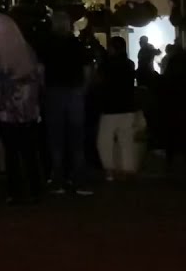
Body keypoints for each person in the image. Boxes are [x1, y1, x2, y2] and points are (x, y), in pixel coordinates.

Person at [0, 10, 43, 204]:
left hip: (8, 111)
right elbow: (37, 78)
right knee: (29, 151)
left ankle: (15, 191)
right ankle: (35, 187)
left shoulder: (0, 56)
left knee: (12, 153)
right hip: (27, 109)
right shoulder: (26, 50)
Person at [41, 12, 92, 196]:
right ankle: (79, 180)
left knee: (56, 138)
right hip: (74, 91)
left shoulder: (47, 44)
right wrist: (83, 88)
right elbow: (87, 69)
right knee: (77, 138)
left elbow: (41, 70)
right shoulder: (76, 44)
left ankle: (58, 180)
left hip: (54, 91)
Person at [97, 34, 139, 180]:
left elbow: (101, 82)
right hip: (127, 106)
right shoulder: (129, 64)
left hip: (110, 107)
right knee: (126, 140)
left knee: (105, 140)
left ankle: (110, 168)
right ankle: (128, 168)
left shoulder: (106, 65)